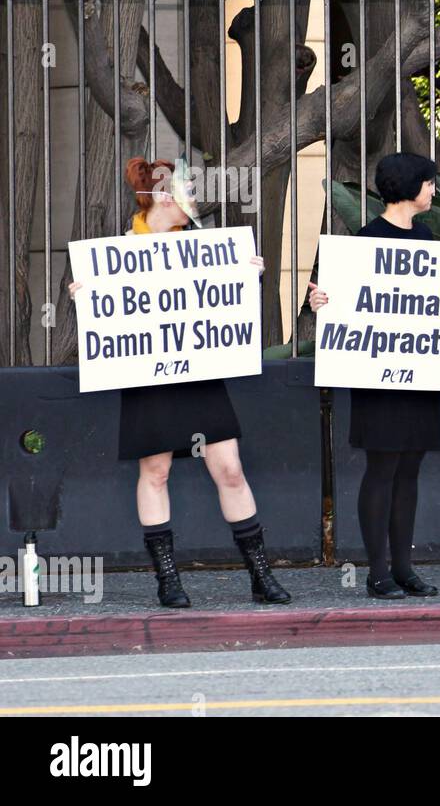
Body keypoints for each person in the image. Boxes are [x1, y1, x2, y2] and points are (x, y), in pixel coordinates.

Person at [68, 157, 291, 608]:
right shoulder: (119, 251)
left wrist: (246, 275)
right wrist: (83, 297)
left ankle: (260, 575)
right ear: (162, 197)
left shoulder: (204, 250)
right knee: (156, 470)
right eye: (182, 190)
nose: (191, 199)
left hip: (198, 371)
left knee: (229, 467)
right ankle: (168, 579)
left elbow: (226, 305)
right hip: (148, 375)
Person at [308, 152, 440, 599]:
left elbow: (436, 302)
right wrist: (321, 301)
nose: (433, 191)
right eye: (429, 183)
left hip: (420, 372)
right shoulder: (365, 240)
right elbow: (340, 300)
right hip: (378, 375)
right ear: (411, 187)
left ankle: (404, 568)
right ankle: (378, 572)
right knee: (382, 467)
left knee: (410, 468)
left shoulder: (427, 236)